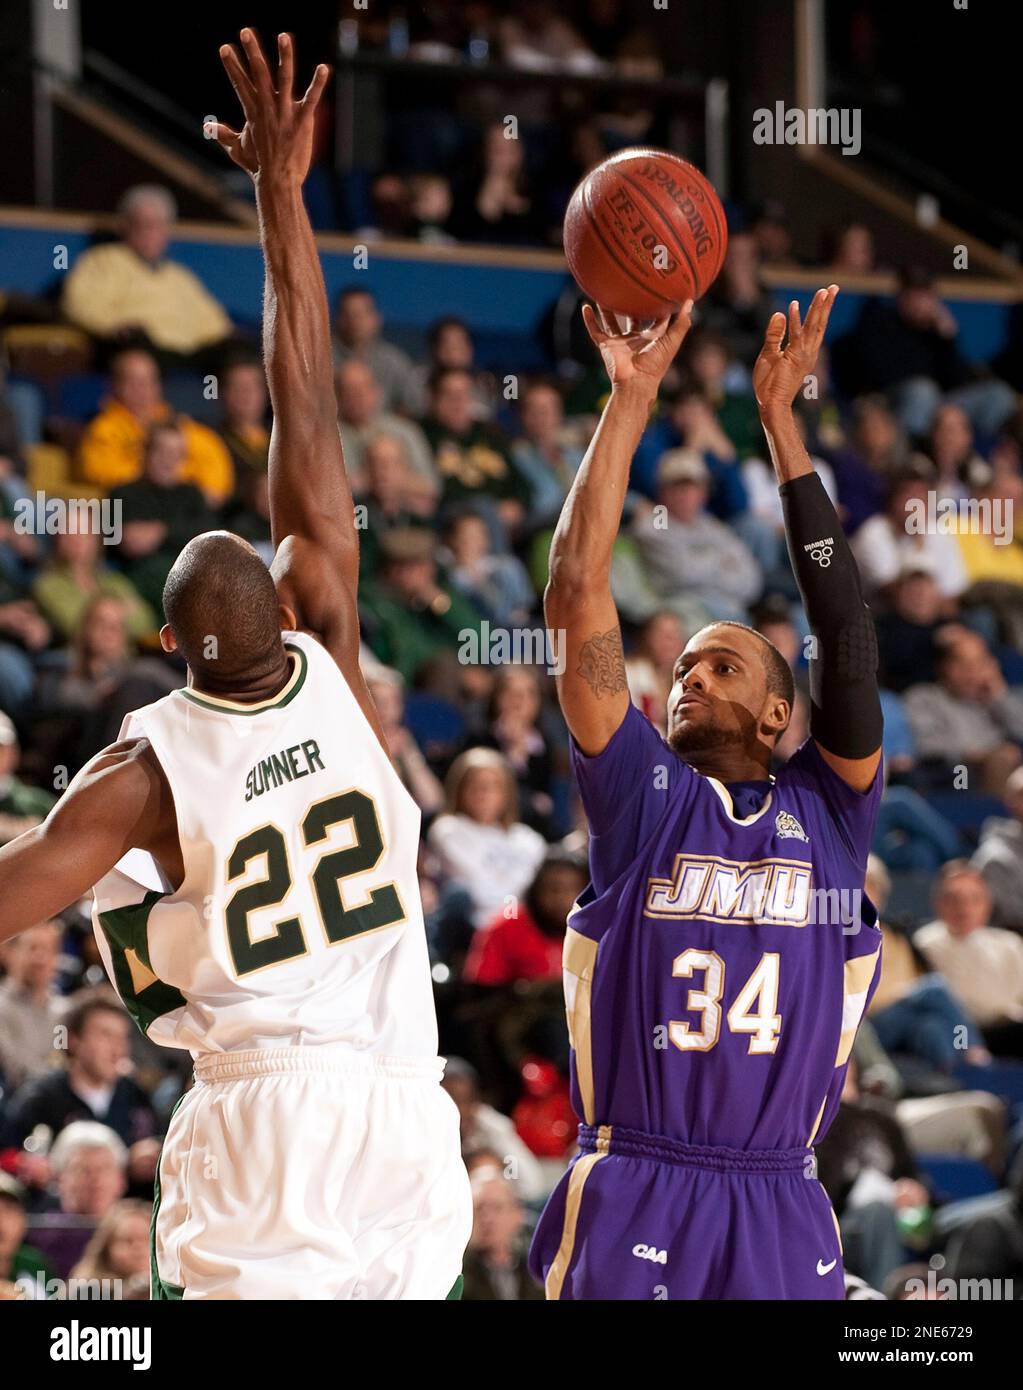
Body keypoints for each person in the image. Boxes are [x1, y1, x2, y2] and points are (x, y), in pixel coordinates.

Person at [0, 32, 470, 1301]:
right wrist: (279, 191)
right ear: (288, 594)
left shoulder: (139, 770)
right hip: (402, 1114)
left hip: (262, 1122)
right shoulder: (335, 653)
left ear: (167, 646)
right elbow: (301, 384)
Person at [530, 286, 886, 1301]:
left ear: (781, 715)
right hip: (638, 1175)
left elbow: (850, 645)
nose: (691, 675)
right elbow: (573, 589)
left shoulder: (831, 809)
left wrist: (781, 427)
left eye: (724, 666)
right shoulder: (643, 799)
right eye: (684, 663)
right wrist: (630, 401)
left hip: (780, 1195)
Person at [61, 185, 233, 365]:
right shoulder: (103, 260)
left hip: (187, 357)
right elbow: (79, 305)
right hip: (138, 348)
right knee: (139, 354)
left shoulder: (179, 276)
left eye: (157, 225)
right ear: (125, 226)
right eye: (142, 224)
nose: (149, 232)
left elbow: (214, 324)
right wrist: (115, 327)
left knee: (241, 357)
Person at [0, 990, 156, 1152]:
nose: (118, 1049)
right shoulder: (40, 1100)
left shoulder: (136, 1097)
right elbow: (9, 1157)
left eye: (122, 1037)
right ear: (75, 1041)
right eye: (106, 1035)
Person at [78, 348, 235, 505]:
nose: (141, 389)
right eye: (132, 381)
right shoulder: (102, 429)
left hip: (183, 510)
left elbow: (216, 478)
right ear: (115, 385)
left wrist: (178, 483)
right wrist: (160, 476)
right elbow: (98, 471)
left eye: (149, 380)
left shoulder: (186, 428)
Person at [428, 747, 548, 929]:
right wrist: (511, 910)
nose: (483, 794)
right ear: (459, 789)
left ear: (507, 793)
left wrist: (513, 914)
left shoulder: (529, 840)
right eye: (475, 785)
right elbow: (479, 890)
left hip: (520, 927)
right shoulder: (448, 830)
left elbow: (538, 895)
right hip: (472, 927)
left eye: (493, 786)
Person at [915, 863, 1023, 1058]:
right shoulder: (924, 943)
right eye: (954, 899)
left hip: (1008, 1027)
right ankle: (969, 1068)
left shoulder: (1009, 944)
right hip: (961, 1028)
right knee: (952, 1033)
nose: (964, 908)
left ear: (987, 905)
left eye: (974, 899)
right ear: (938, 903)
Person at [0, 919, 63, 1091]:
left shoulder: (62, 1011)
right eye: (32, 948)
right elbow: (14, 1069)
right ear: (8, 953)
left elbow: (62, 1054)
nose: (41, 958)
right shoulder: (1, 1008)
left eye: (48, 950)